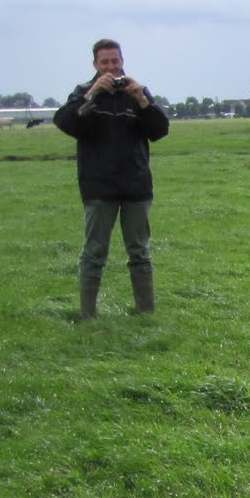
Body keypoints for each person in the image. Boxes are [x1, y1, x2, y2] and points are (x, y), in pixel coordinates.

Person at [53, 38, 169, 319]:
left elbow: (159, 130)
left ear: (122, 62)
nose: (110, 67)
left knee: (140, 252)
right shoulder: (84, 92)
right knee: (94, 253)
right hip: (99, 186)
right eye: (104, 62)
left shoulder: (137, 93)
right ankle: (88, 315)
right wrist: (92, 94)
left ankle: (146, 313)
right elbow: (66, 122)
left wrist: (142, 99)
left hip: (136, 185)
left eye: (115, 61)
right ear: (95, 64)